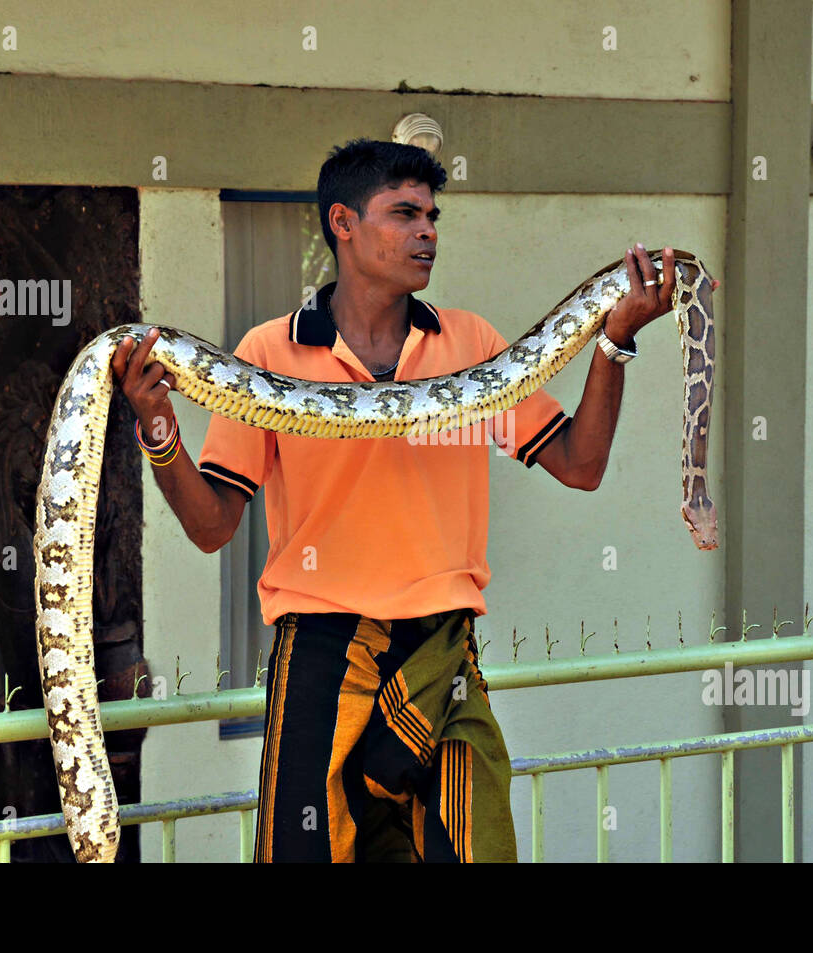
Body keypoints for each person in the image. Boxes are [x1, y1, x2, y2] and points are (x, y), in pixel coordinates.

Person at [111, 138, 697, 862]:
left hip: (440, 653)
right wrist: (158, 426)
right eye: (404, 213)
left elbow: (580, 464)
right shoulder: (268, 354)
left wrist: (613, 343)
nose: (427, 232)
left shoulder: (471, 346)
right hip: (322, 652)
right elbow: (211, 526)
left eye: (432, 216)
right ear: (343, 223)